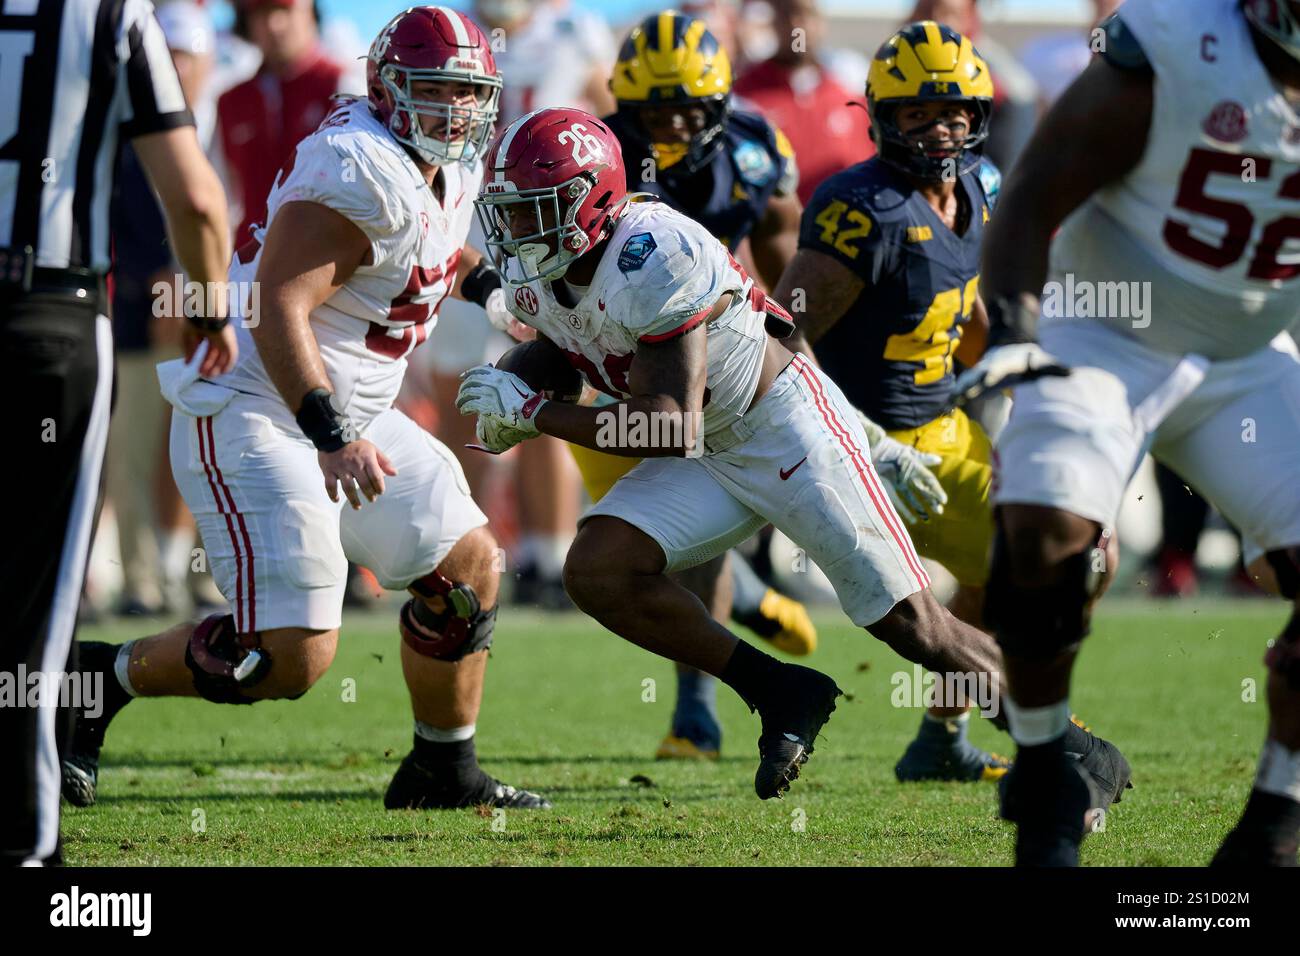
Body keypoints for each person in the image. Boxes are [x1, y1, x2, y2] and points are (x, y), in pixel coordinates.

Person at [458, 106, 1124, 801]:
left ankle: (1076, 751)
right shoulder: (546, 266)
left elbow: (664, 427)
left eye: (533, 211)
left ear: (589, 202)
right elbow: (564, 347)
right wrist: (518, 382)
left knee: (913, 625)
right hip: (712, 446)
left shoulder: (655, 254)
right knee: (598, 569)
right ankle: (782, 691)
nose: (515, 231)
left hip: (782, 428)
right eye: (508, 212)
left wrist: (535, 414)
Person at [63, 6, 546, 815]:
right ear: (389, 92)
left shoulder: (443, 166)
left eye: (467, 94)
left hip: (346, 410)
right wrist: (330, 435)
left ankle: (441, 769)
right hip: (260, 408)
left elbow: (430, 250)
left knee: (467, 568)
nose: (454, 113)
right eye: (434, 93)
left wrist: (498, 297)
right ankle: (96, 680)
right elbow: (278, 307)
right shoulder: (357, 168)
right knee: (288, 658)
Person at [955, 0, 1300, 865]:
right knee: (1042, 544)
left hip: (1248, 356)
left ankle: (1278, 813)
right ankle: (1043, 771)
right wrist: (1015, 336)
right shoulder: (1180, 43)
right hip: (1107, 331)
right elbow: (1032, 196)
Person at [2, 0, 234, 867]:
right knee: (32, 612)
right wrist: (209, 307)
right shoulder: (110, 14)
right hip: (48, 315)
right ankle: (29, 853)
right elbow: (198, 199)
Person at [777, 21, 1012, 783]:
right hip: (859, 442)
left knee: (1063, 558)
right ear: (882, 115)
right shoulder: (863, 205)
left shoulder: (981, 185)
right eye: (918, 112)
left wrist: (1010, 356)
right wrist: (845, 434)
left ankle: (944, 736)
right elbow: (785, 328)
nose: (940, 128)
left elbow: (962, 298)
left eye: (955, 112)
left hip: (944, 428)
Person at [582, 10, 816, 760]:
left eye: (690, 104)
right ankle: (748, 598)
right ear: (626, 102)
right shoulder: (599, 151)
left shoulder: (753, 150)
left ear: (720, 100)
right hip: (612, 363)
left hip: (710, 358)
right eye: (657, 107)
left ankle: (696, 712)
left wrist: (799, 342)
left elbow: (786, 244)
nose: (675, 121)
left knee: (670, 532)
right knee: (635, 535)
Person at [107, 0, 224, 618]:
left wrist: (203, 295)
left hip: (225, 314)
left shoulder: (225, 121)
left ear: (207, 58)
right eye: (167, 53)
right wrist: (151, 286)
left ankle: (213, 578)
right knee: (132, 448)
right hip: (138, 314)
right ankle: (141, 580)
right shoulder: (124, 129)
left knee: (215, 446)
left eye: (185, 54)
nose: (176, 67)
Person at [216, 0, 347, 246]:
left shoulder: (344, 88)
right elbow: (220, 197)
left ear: (309, 10)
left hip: (323, 263)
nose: (274, 25)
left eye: (284, 10)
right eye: (261, 13)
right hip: (248, 266)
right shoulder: (230, 102)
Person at [732, 0, 872, 205]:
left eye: (806, 14)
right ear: (772, 21)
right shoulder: (743, 98)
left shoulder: (852, 87)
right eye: (787, 14)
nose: (798, 25)